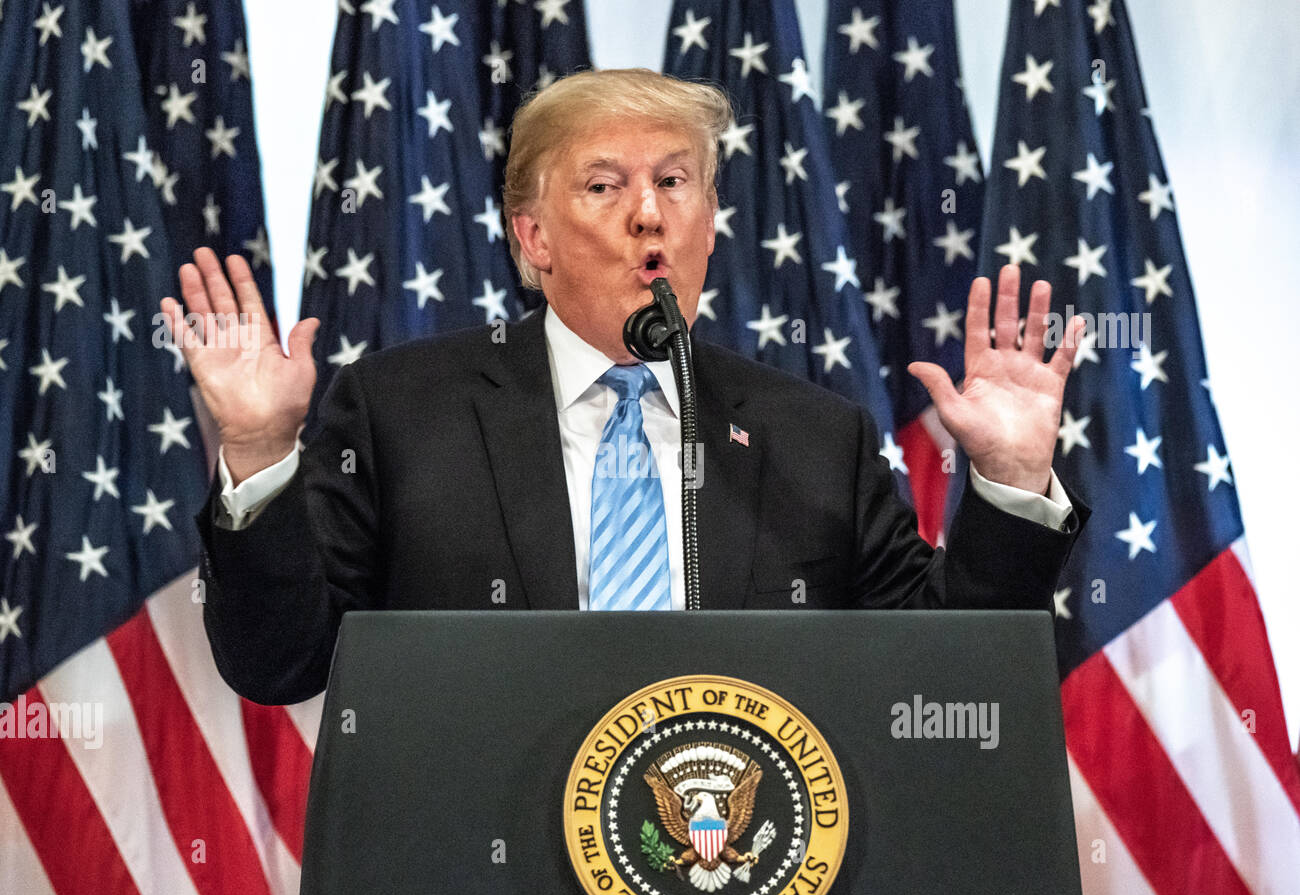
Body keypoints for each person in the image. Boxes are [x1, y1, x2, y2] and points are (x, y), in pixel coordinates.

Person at [161, 69, 1087, 706]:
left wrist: (1007, 483)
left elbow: (948, 688)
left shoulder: (816, 438)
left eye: (676, 181)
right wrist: (255, 453)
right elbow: (278, 663)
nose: (650, 212)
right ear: (533, 241)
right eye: (604, 186)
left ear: (713, 221)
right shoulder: (403, 413)